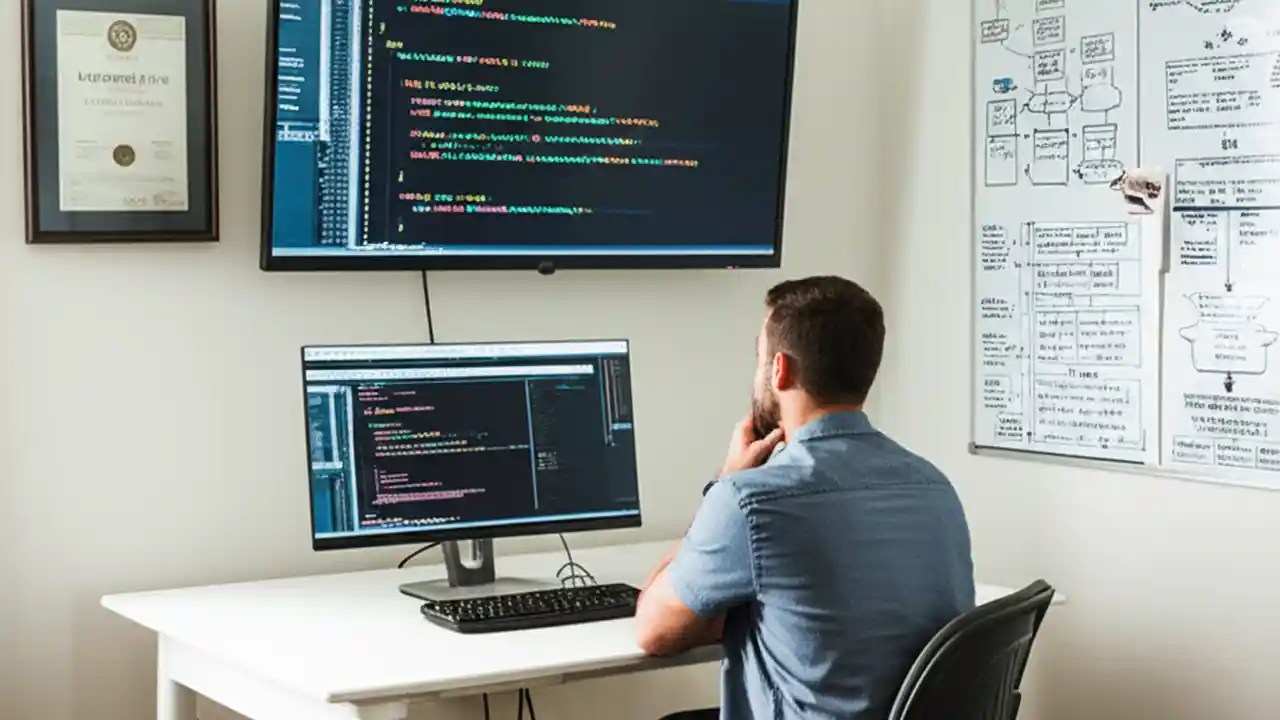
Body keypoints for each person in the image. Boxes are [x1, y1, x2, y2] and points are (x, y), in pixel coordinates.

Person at [635, 276, 974, 720]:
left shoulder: (748, 501)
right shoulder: (935, 486)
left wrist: (725, 483)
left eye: (758, 357)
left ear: (779, 369)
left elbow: (654, 631)